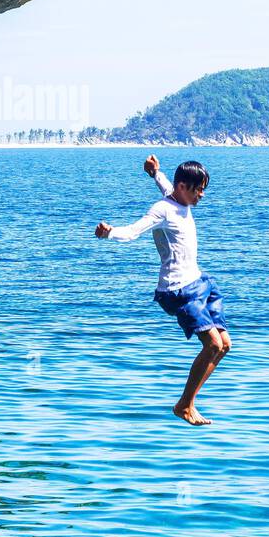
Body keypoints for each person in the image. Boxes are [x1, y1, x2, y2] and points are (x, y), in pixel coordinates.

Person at [95, 156, 231, 426]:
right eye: (198, 189)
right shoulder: (162, 210)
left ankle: (187, 403)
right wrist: (109, 232)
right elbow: (134, 232)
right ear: (183, 187)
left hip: (200, 281)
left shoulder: (179, 197)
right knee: (212, 344)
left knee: (225, 345)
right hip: (177, 290)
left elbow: (166, 186)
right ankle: (184, 405)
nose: (202, 195)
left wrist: (155, 172)